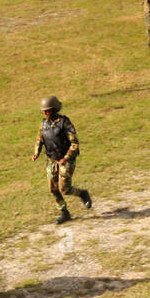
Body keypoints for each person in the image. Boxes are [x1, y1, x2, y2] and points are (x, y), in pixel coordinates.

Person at [30, 95, 92, 224]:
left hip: (66, 160)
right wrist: (36, 152)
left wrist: (66, 157)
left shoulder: (65, 123)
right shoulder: (43, 124)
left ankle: (82, 194)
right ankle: (64, 212)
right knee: (53, 189)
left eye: (48, 110)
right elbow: (39, 140)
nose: (45, 113)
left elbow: (74, 143)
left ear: (54, 109)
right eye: (44, 111)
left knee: (65, 188)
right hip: (51, 160)